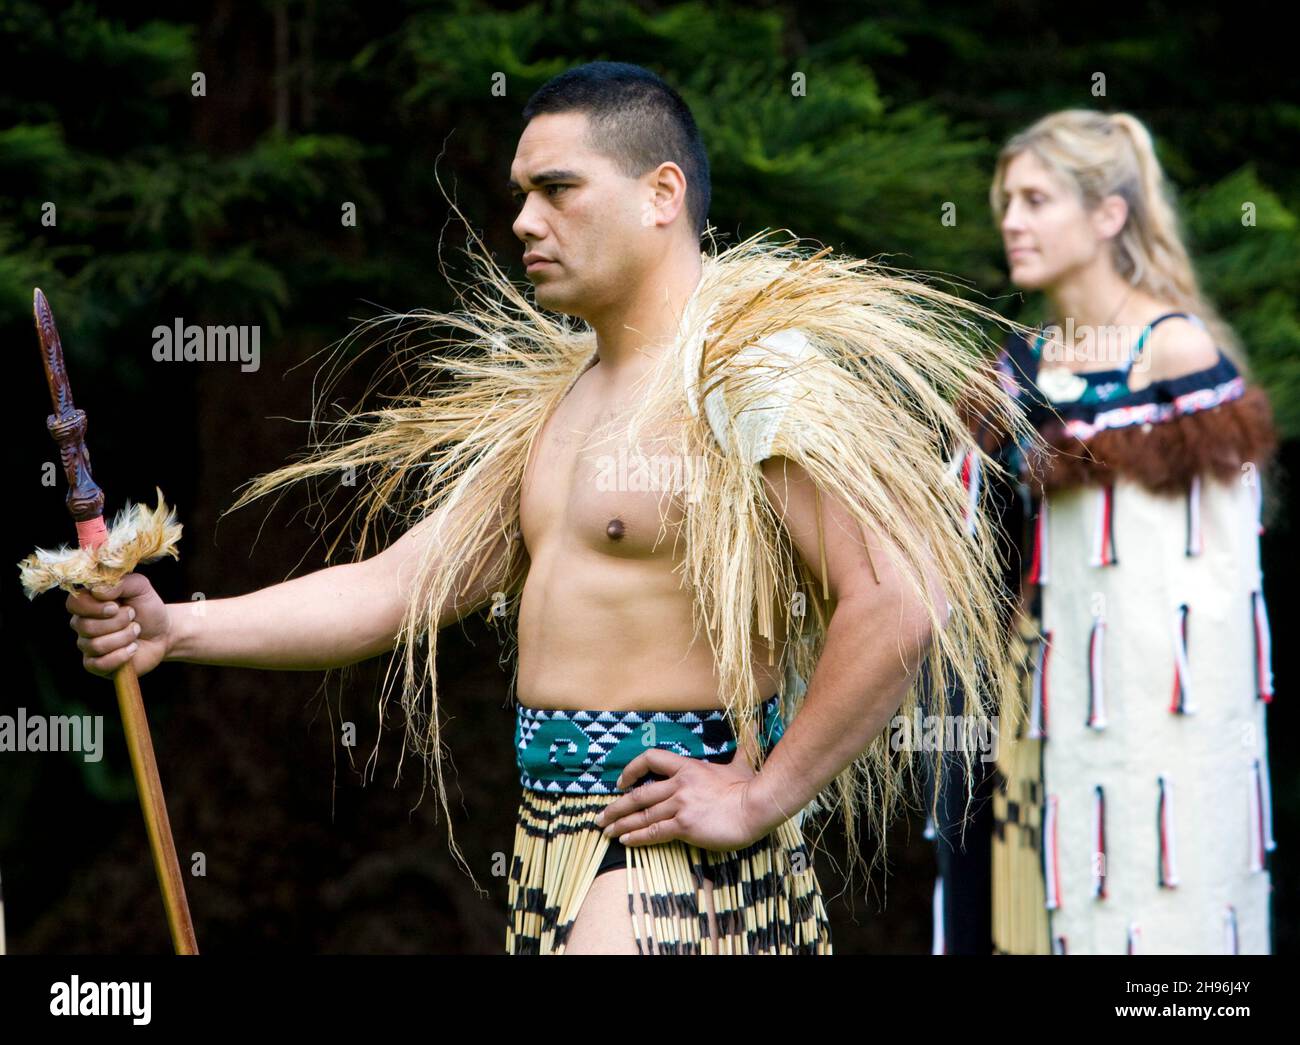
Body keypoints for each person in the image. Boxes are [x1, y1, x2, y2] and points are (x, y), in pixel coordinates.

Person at [59, 61, 1029, 955]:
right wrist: (174, 629)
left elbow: (901, 596)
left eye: (557, 189)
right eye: (521, 193)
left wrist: (762, 794)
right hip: (552, 844)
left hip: (670, 850)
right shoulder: (556, 404)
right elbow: (399, 587)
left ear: (661, 195)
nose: (523, 220)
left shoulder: (749, 376)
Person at [973, 109, 1279, 954]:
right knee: (1040, 917)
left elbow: (1222, 575)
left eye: (1036, 199)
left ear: (1108, 214)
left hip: (1163, 705)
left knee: (1163, 911)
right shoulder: (1019, 363)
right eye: (1005, 200)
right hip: (1039, 697)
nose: (1011, 219)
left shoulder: (1174, 352)